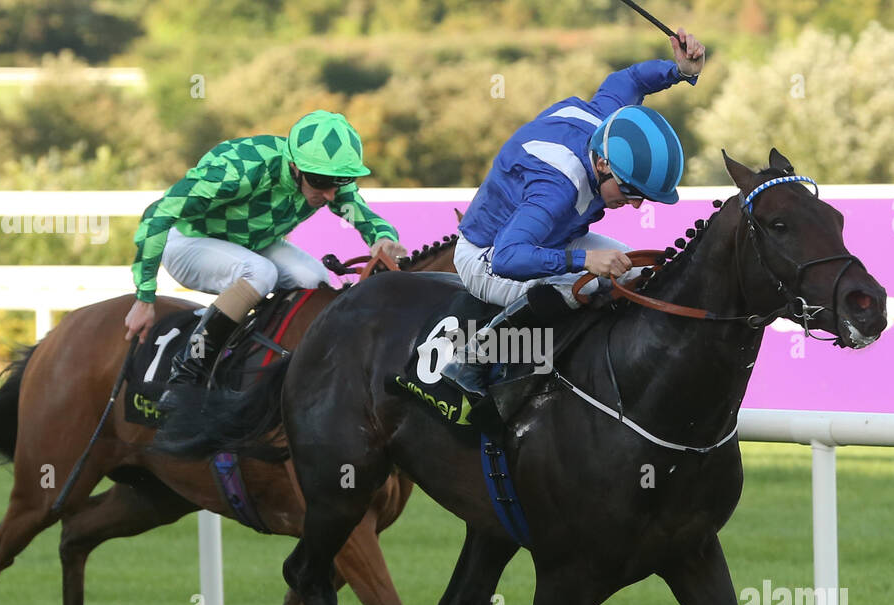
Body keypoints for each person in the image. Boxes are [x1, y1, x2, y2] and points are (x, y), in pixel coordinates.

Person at [443, 30, 706, 399]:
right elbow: (507, 257)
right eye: (631, 192)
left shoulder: (606, 123)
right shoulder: (556, 189)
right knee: (581, 282)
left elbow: (629, 80)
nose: (635, 205)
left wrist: (678, 71)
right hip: (488, 255)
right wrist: (584, 260)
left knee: (636, 268)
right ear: (602, 164)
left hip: (547, 237)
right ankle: (472, 358)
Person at [122, 111, 406, 390]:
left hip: (252, 243)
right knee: (260, 272)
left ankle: (272, 361)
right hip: (188, 240)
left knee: (314, 279)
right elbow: (157, 216)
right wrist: (145, 298)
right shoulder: (239, 170)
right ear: (294, 166)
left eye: (339, 182)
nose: (331, 194)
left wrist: (383, 239)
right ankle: (188, 369)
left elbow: (366, 219)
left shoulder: (322, 173)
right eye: (320, 183)